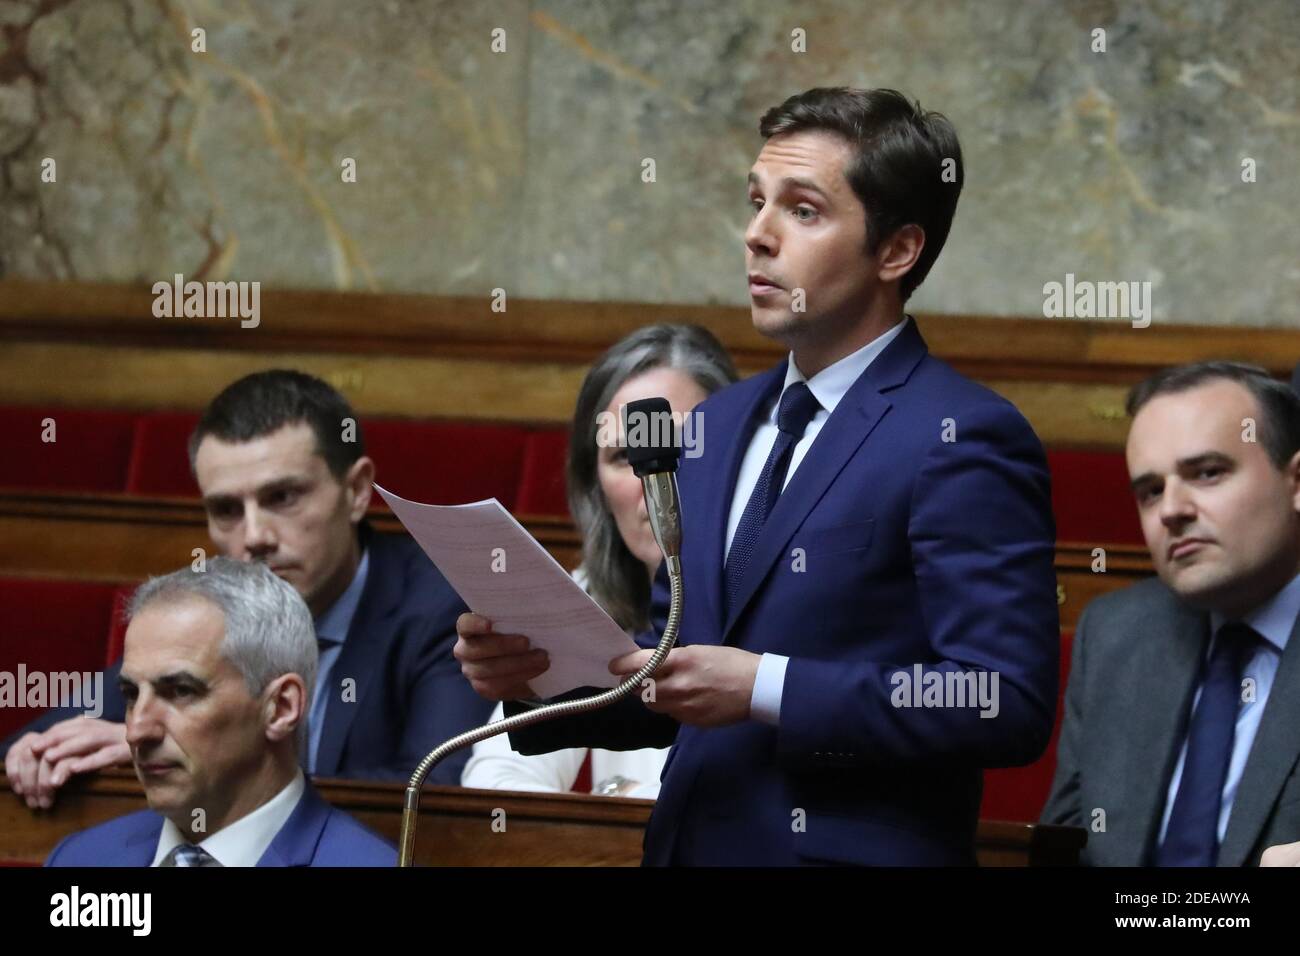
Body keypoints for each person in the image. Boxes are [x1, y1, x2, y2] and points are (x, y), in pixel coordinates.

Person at [455, 87, 1060, 865]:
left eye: (802, 211)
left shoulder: (961, 434)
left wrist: (768, 688)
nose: (756, 236)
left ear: (896, 251)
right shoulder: (715, 425)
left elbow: (998, 698)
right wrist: (539, 680)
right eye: (755, 202)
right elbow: (679, 664)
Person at [5, 370, 493, 806]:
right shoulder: (207, 613)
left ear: (357, 491)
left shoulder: (443, 609)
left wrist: (203, 768)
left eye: (282, 497)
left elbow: (431, 794)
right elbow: (36, 743)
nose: (255, 536)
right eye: (227, 510)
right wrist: (35, 754)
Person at [461, 324, 738, 797]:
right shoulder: (587, 591)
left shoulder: (776, 591)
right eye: (625, 455)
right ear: (596, 488)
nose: (655, 481)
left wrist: (623, 797)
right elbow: (493, 785)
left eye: (680, 448)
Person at [1042, 362, 1300, 866]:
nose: (1171, 510)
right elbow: (1066, 846)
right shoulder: (1117, 633)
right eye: (1150, 490)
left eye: (1207, 473)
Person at [47, 558, 395, 866]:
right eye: (130, 694)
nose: (137, 730)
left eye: (181, 691)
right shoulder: (80, 858)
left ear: (281, 708)